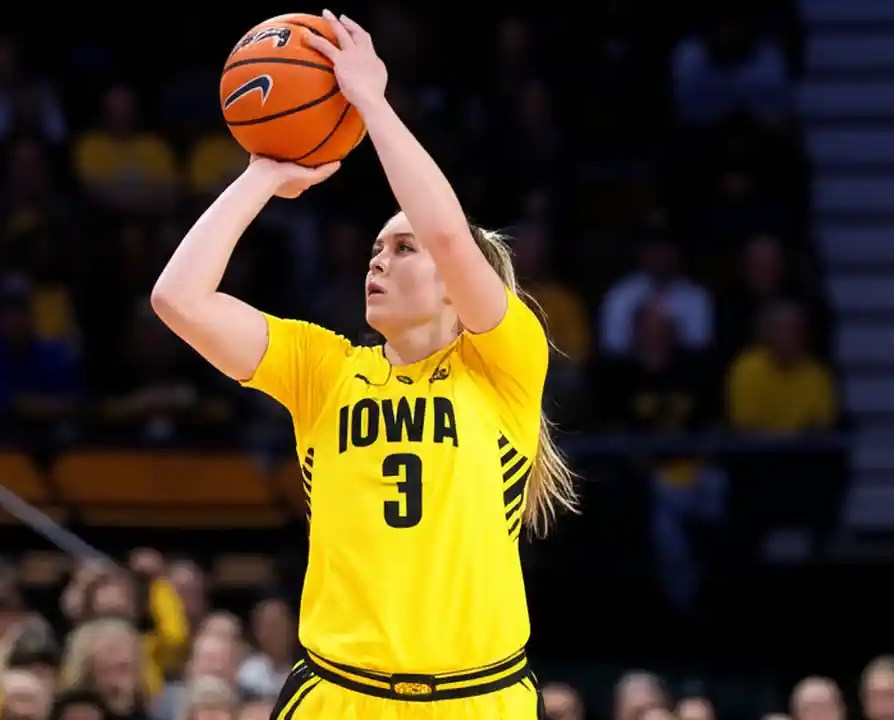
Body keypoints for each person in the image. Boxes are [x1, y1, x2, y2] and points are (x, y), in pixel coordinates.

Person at [151, 10, 577, 719]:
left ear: (456, 282)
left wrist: (373, 103)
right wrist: (261, 175)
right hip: (339, 694)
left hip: (479, 699)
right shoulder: (323, 368)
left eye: (403, 249)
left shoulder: (506, 363)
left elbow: (447, 232)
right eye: (377, 249)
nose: (379, 261)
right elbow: (178, 299)